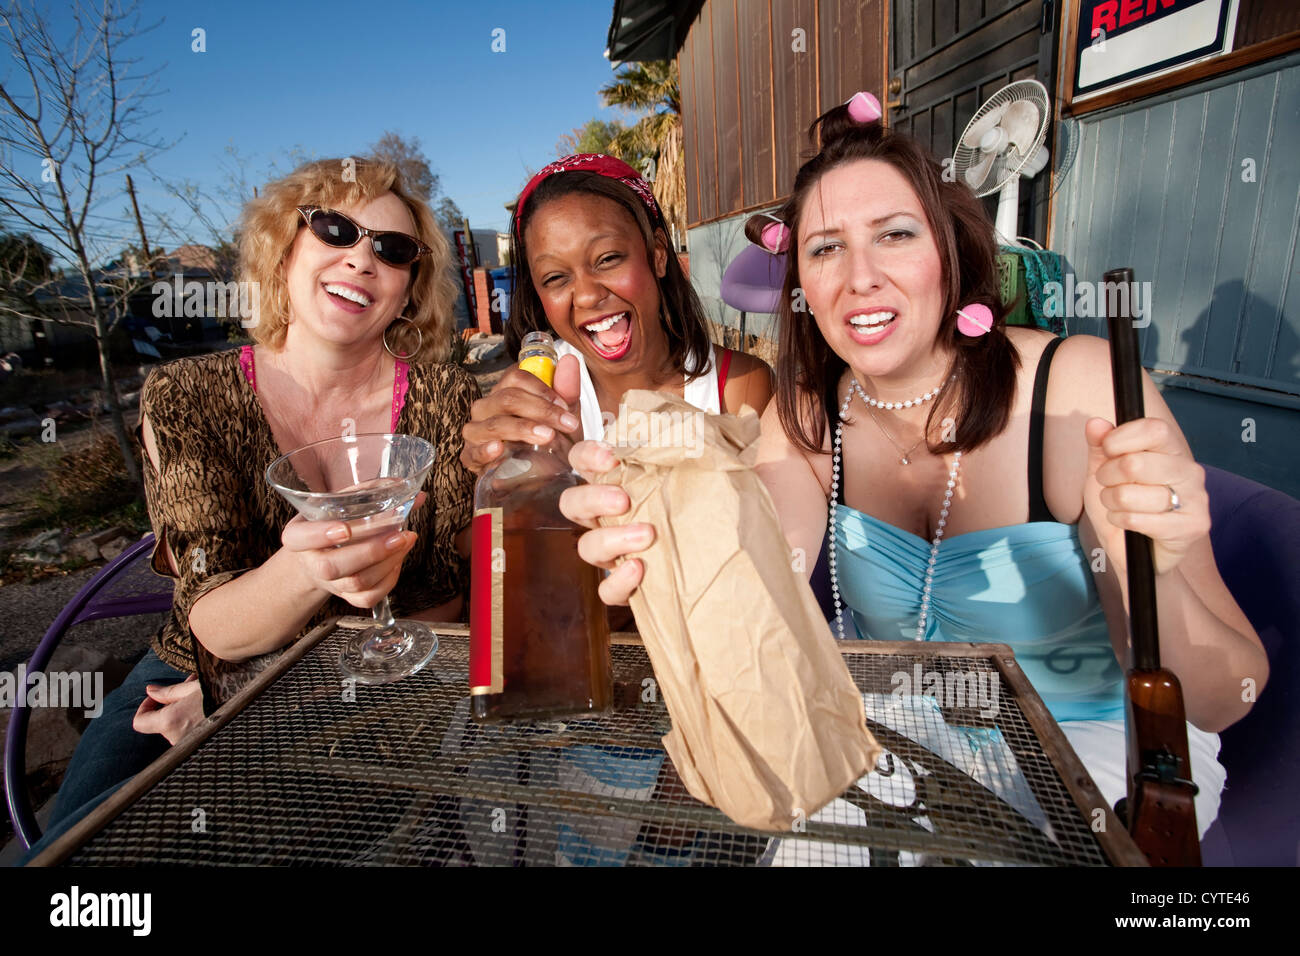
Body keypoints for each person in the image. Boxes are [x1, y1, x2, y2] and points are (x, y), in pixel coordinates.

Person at [558, 95, 1268, 837]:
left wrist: (1151, 562)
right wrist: (653, 515)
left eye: (895, 234)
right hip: (896, 738)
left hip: (1094, 752)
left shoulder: (1081, 391)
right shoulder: (807, 411)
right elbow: (748, 551)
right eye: (825, 248)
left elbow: (1224, 695)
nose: (859, 277)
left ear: (950, 254)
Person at [42, 157, 479, 842]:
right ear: (285, 250)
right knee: (78, 842)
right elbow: (212, 622)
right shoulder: (187, 396)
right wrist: (248, 662)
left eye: (392, 250)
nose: (362, 259)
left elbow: (443, 602)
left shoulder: (446, 397)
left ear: (408, 290)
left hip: (385, 678)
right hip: (198, 666)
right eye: (335, 230)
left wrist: (242, 708)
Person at [460, 154, 772, 476]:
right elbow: (503, 522)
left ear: (658, 253)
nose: (586, 295)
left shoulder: (737, 390)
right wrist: (510, 479)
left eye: (607, 259)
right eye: (554, 278)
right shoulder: (535, 403)